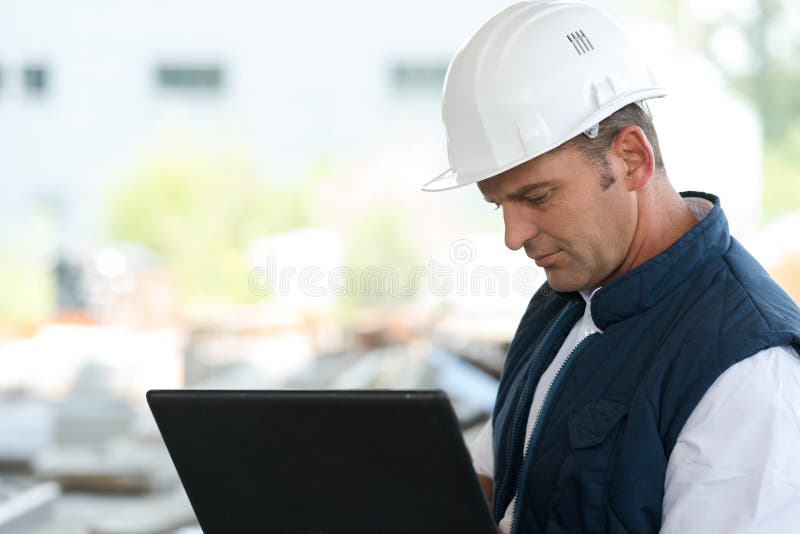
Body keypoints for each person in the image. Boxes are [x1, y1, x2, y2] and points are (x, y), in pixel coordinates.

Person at [422, 1, 800, 533]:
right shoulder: (562, 304)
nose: (513, 237)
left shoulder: (746, 376)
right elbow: (492, 477)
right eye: (498, 205)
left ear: (631, 158)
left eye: (537, 196)